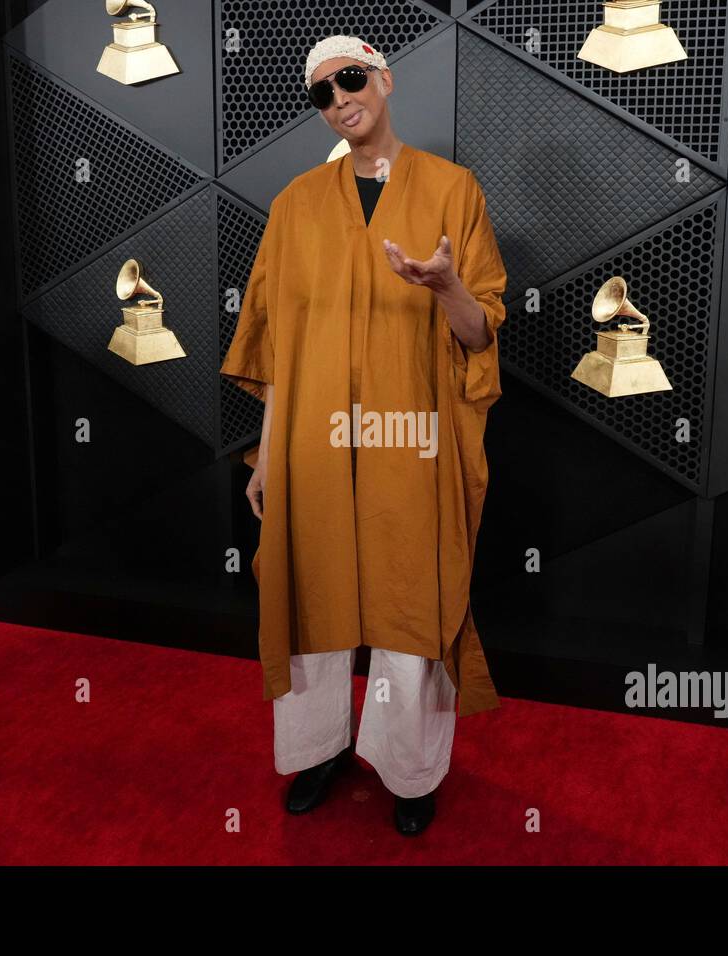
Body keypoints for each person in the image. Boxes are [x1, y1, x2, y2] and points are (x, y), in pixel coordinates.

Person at [220, 35, 508, 835]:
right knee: (309, 589)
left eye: (350, 79)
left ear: (383, 79)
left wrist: (448, 285)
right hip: (311, 440)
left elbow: (480, 336)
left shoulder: (453, 191)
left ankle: (410, 769)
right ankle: (318, 751)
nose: (340, 97)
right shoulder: (294, 206)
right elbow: (274, 345)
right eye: (322, 91)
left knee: (409, 599)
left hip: (411, 437)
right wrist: (267, 451)